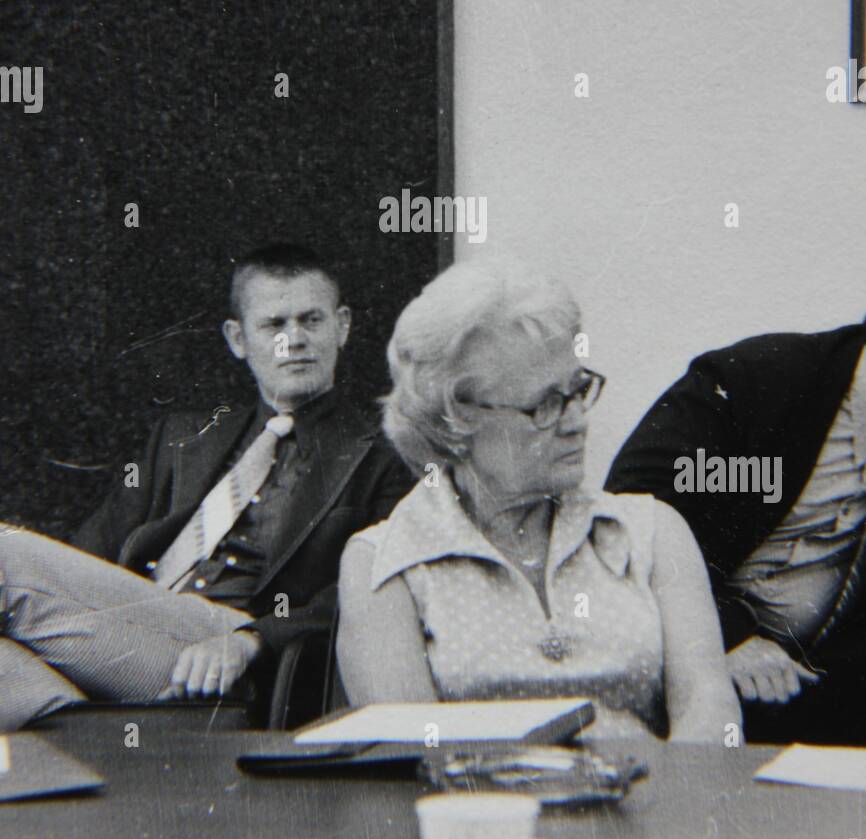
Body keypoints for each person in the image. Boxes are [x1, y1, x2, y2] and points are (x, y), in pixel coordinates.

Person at [0, 242, 412, 731]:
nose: (294, 340)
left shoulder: (384, 455)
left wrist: (251, 639)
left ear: (342, 326)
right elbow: (90, 555)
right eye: (274, 325)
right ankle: (97, 729)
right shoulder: (183, 438)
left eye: (312, 320)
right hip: (139, 638)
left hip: (234, 652)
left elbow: (377, 593)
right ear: (238, 339)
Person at [337, 260, 741, 743]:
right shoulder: (384, 564)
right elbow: (408, 750)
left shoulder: (651, 532)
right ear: (456, 420)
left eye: (578, 390)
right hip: (481, 818)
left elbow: (711, 709)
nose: (577, 421)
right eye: (545, 404)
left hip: (648, 807)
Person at [604, 319, 866, 745]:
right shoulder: (761, 383)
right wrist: (727, 636)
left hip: (818, 719)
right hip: (685, 682)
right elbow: (633, 513)